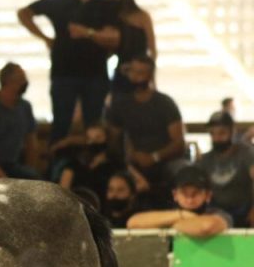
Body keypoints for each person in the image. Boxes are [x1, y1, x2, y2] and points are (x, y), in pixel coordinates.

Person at [17, 0, 118, 145]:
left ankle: (92, 160)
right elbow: (24, 13)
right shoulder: (58, 2)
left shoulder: (105, 7)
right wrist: (45, 38)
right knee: (61, 124)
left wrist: (88, 33)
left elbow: (114, 37)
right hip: (64, 73)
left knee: (95, 126)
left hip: (95, 73)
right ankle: (59, 161)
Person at [104, 55, 185, 207]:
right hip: (130, 164)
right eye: (133, 72)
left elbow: (179, 143)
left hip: (164, 162)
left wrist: (154, 157)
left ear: (150, 75)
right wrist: (128, 162)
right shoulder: (120, 104)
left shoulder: (165, 103)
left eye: (141, 73)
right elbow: (113, 140)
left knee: (181, 170)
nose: (136, 77)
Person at [126, 165, 232, 236]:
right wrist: (182, 215)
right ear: (175, 195)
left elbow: (206, 227)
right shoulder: (171, 214)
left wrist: (171, 225)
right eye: (184, 193)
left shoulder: (218, 214)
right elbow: (133, 223)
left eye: (195, 193)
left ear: (208, 195)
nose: (190, 199)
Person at [196, 111, 254, 227]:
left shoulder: (247, 153)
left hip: (244, 210)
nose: (217, 138)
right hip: (216, 213)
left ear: (232, 132)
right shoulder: (205, 160)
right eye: (212, 133)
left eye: (222, 133)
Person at [102, 0, 156, 96]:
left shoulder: (142, 16)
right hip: (122, 72)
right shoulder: (112, 20)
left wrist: (150, 74)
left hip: (141, 71)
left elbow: (152, 49)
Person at [54, 125, 116, 199]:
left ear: (108, 139)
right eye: (89, 138)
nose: (92, 142)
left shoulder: (114, 166)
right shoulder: (72, 166)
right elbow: (62, 195)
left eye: (98, 137)